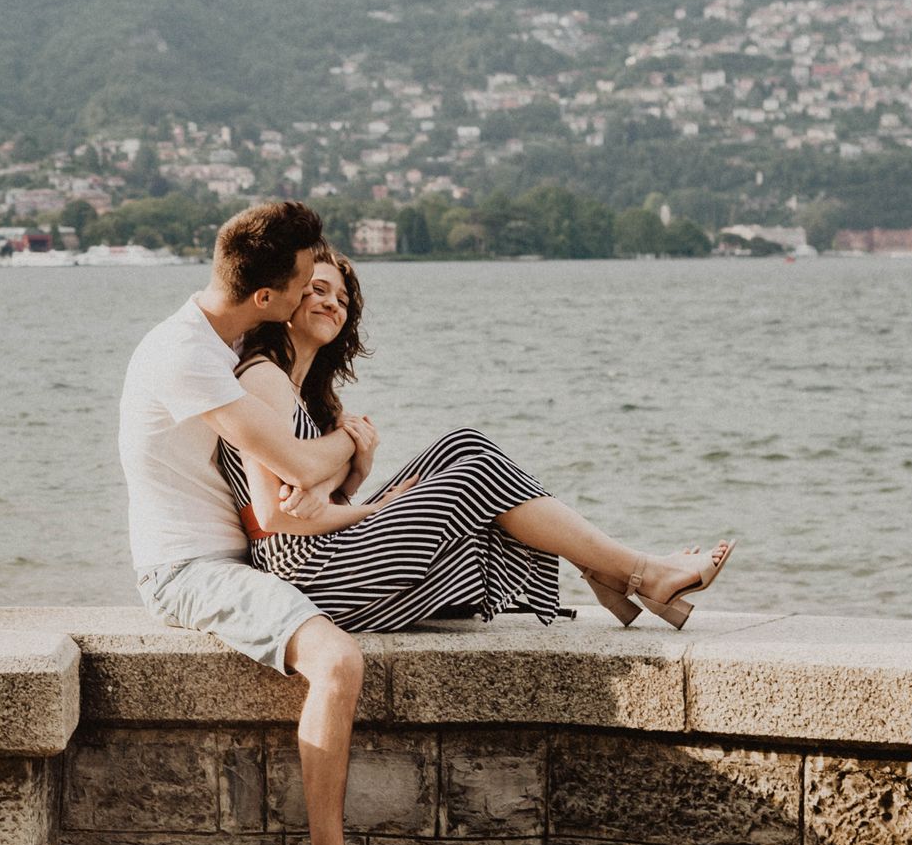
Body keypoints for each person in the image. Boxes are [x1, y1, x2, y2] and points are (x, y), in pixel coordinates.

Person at [118, 200, 382, 845]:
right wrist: (355, 442)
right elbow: (297, 469)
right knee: (337, 661)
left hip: (243, 558)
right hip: (188, 570)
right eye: (304, 282)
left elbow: (302, 477)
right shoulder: (186, 355)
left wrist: (340, 463)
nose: (312, 295)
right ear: (264, 297)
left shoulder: (215, 340)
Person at [222, 253, 734, 635]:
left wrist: (357, 476)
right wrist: (375, 508)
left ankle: (608, 570)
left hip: (333, 554)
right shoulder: (263, 378)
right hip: (310, 580)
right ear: (286, 295)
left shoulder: (315, 398)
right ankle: (638, 572)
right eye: (318, 289)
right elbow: (276, 519)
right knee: (473, 478)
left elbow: (315, 505)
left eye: (343, 297)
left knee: (463, 445)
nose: (334, 302)